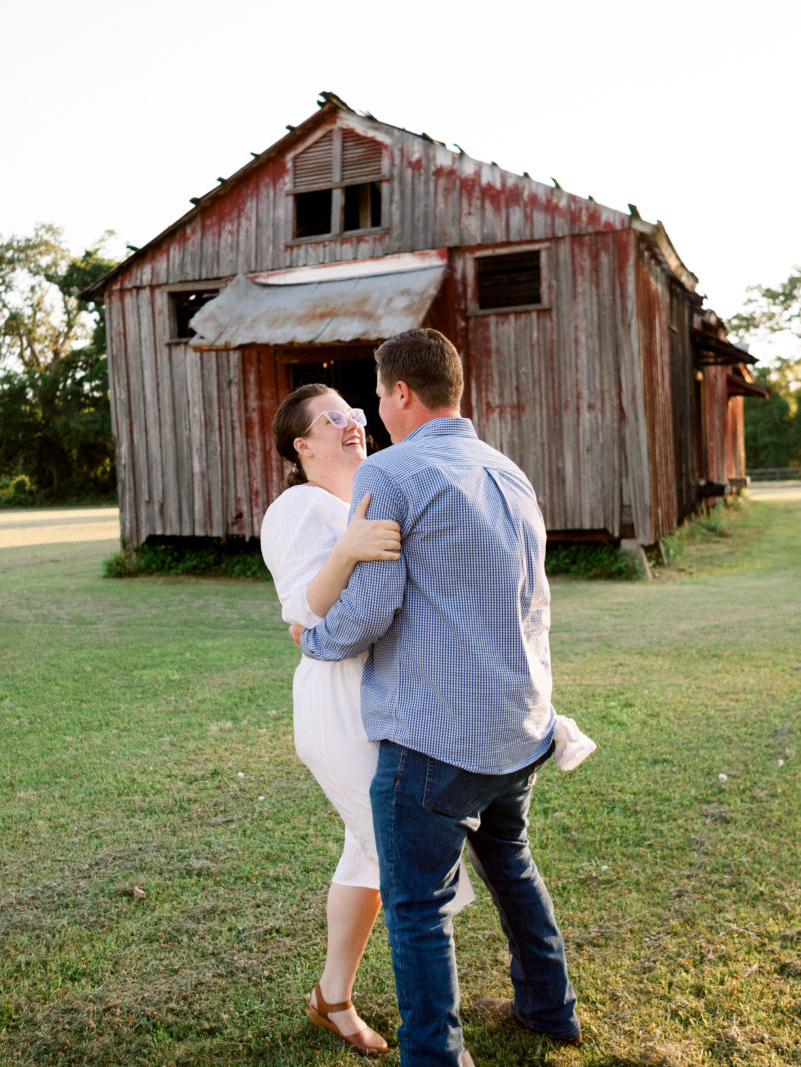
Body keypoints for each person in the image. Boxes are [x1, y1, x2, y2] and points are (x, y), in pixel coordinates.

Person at [299, 329, 581, 1066]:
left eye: (378, 392)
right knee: (512, 866)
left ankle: (434, 1056)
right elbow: (534, 601)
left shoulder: (389, 474)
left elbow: (368, 610)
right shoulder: (509, 472)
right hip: (517, 726)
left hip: (432, 742)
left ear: (400, 393)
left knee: (417, 908)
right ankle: (550, 1008)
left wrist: (315, 640)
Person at [259, 383, 476, 1059]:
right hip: (336, 703)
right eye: (333, 417)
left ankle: (333, 997)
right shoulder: (299, 506)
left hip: (387, 698)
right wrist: (348, 548)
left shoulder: (372, 493)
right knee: (407, 858)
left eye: (355, 411)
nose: (353, 422)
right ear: (303, 445)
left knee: (373, 857)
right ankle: (439, 1040)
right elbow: (304, 616)